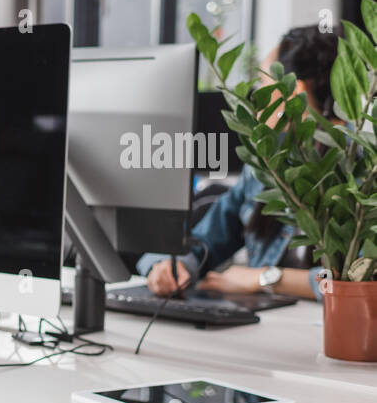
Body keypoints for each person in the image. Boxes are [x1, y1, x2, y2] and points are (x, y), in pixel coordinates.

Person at [139, 26, 339, 301]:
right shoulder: (266, 161)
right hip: (267, 325)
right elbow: (207, 239)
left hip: (329, 332)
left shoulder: (361, 170)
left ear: (294, 93)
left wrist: (264, 277)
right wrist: (173, 266)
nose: (255, 96)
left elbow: (363, 282)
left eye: (263, 84)